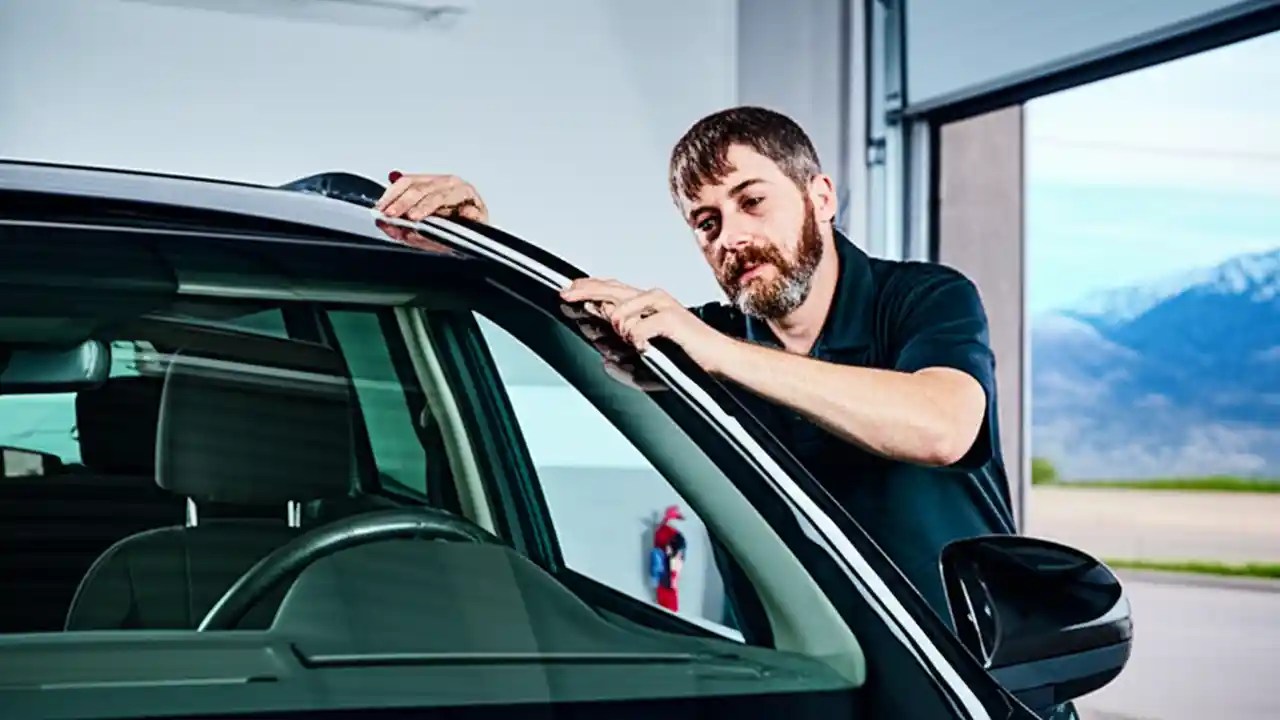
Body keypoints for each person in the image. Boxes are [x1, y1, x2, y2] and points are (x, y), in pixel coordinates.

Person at [374, 105, 1017, 628]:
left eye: (752, 202)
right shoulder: (698, 340)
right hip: (809, 684)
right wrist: (471, 241)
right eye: (706, 223)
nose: (730, 238)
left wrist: (718, 355)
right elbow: (564, 310)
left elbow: (942, 426)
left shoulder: (923, 298)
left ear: (820, 196)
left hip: (960, 684)